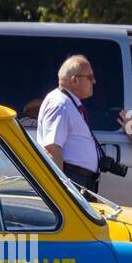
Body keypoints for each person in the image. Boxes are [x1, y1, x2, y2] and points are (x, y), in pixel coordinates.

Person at [36, 55, 106, 192]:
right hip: (72, 180)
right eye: (90, 77)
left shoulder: (68, 103)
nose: (94, 81)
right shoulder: (60, 104)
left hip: (79, 181)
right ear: (74, 80)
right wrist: (60, 192)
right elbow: (52, 149)